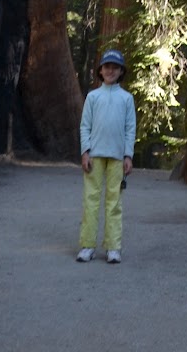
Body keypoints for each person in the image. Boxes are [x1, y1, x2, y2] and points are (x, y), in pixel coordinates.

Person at [76, 48, 136, 263]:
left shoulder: (127, 99)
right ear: (100, 71)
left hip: (118, 157)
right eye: (107, 67)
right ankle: (87, 245)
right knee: (91, 200)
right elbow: (85, 126)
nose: (110, 71)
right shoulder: (93, 97)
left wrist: (128, 155)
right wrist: (85, 152)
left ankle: (113, 247)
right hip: (95, 156)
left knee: (114, 202)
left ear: (121, 72)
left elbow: (130, 129)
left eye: (115, 67)